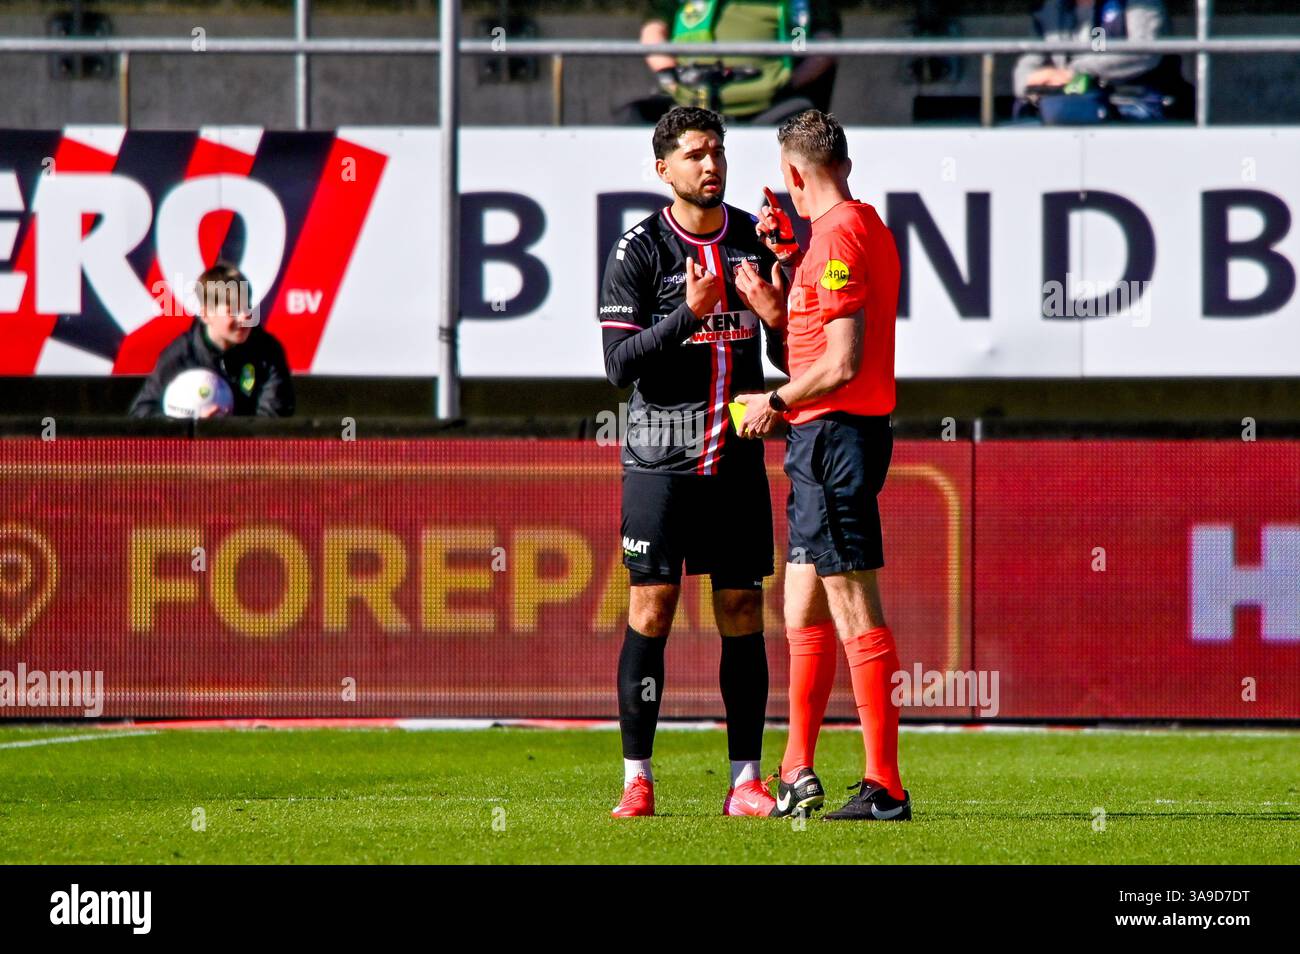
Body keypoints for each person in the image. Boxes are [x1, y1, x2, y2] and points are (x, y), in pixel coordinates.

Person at [598, 106, 787, 818]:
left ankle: (745, 781)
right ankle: (637, 779)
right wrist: (686, 314)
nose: (711, 165)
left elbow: (784, 360)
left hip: (734, 458)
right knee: (653, 605)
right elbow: (618, 365)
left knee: (742, 607)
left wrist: (773, 315)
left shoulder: (750, 238)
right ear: (664, 169)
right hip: (661, 458)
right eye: (696, 155)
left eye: (718, 152)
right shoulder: (639, 251)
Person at [732, 109, 910, 821]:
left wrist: (771, 400)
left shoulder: (838, 235)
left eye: (786, 181)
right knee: (801, 603)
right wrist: (777, 303)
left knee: (850, 602)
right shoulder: (845, 232)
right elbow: (814, 342)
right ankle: (797, 769)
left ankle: (885, 788)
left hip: (835, 435)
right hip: (821, 438)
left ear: (794, 173)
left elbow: (840, 364)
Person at [621, 0, 840, 125]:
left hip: (773, 108)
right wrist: (670, 76)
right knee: (636, 118)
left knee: (805, 129)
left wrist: (787, 83)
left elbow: (825, 43)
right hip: (689, 101)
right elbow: (653, 31)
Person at [129, 262, 295, 418]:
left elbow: (275, 417)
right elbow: (142, 413)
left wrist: (226, 429)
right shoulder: (181, 355)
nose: (245, 316)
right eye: (234, 309)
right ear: (206, 315)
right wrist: (190, 427)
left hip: (245, 448)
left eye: (247, 307)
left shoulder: (266, 351)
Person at [1013, 0, 1191, 122]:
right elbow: (1030, 60)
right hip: (1064, 104)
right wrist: (1029, 80)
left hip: (1130, 101)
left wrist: (1075, 72)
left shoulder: (1137, 3)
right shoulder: (1051, 8)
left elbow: (1145, 52)